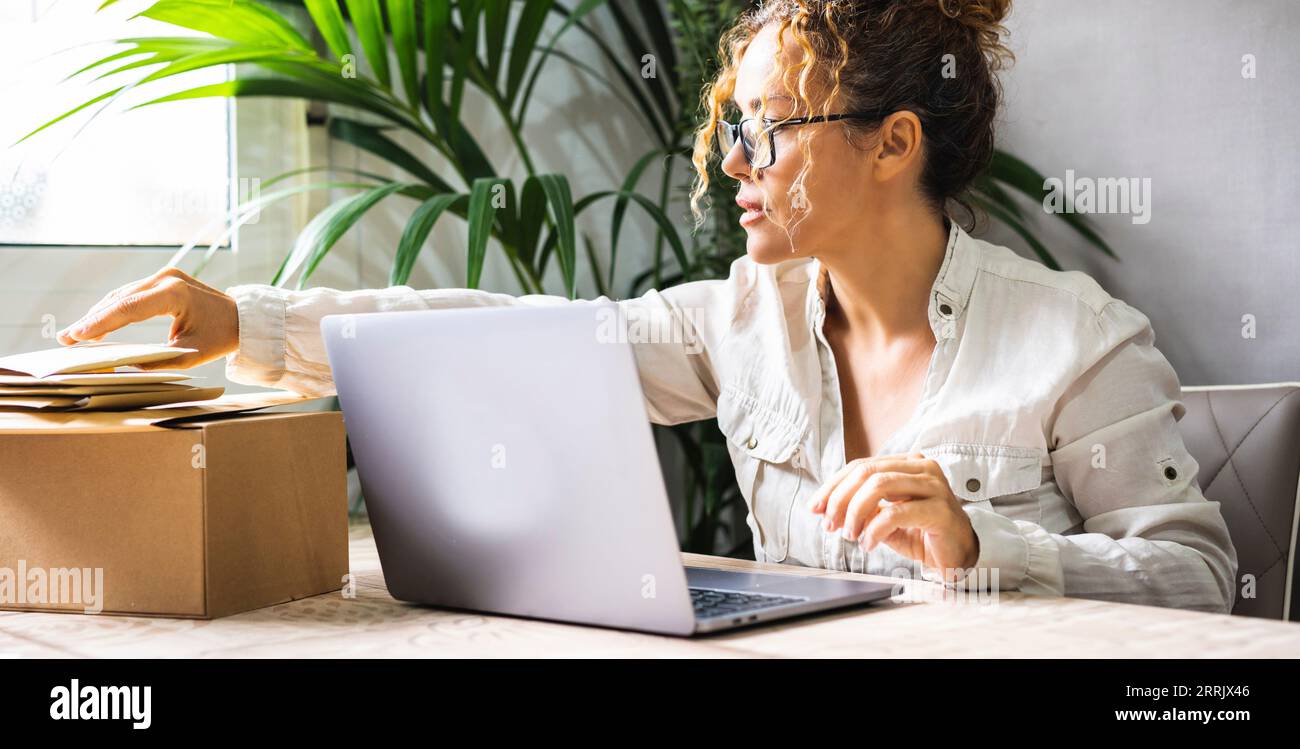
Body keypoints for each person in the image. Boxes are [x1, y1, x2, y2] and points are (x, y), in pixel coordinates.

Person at [58, 0, 1237, 613]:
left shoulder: (1075, 338)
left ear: (893, 143)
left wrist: (987, 543)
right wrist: (251, 325)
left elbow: (1197, 578)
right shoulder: (737, 321)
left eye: (767, 131)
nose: (731, 160)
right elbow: (504, 336)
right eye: (734, 127)